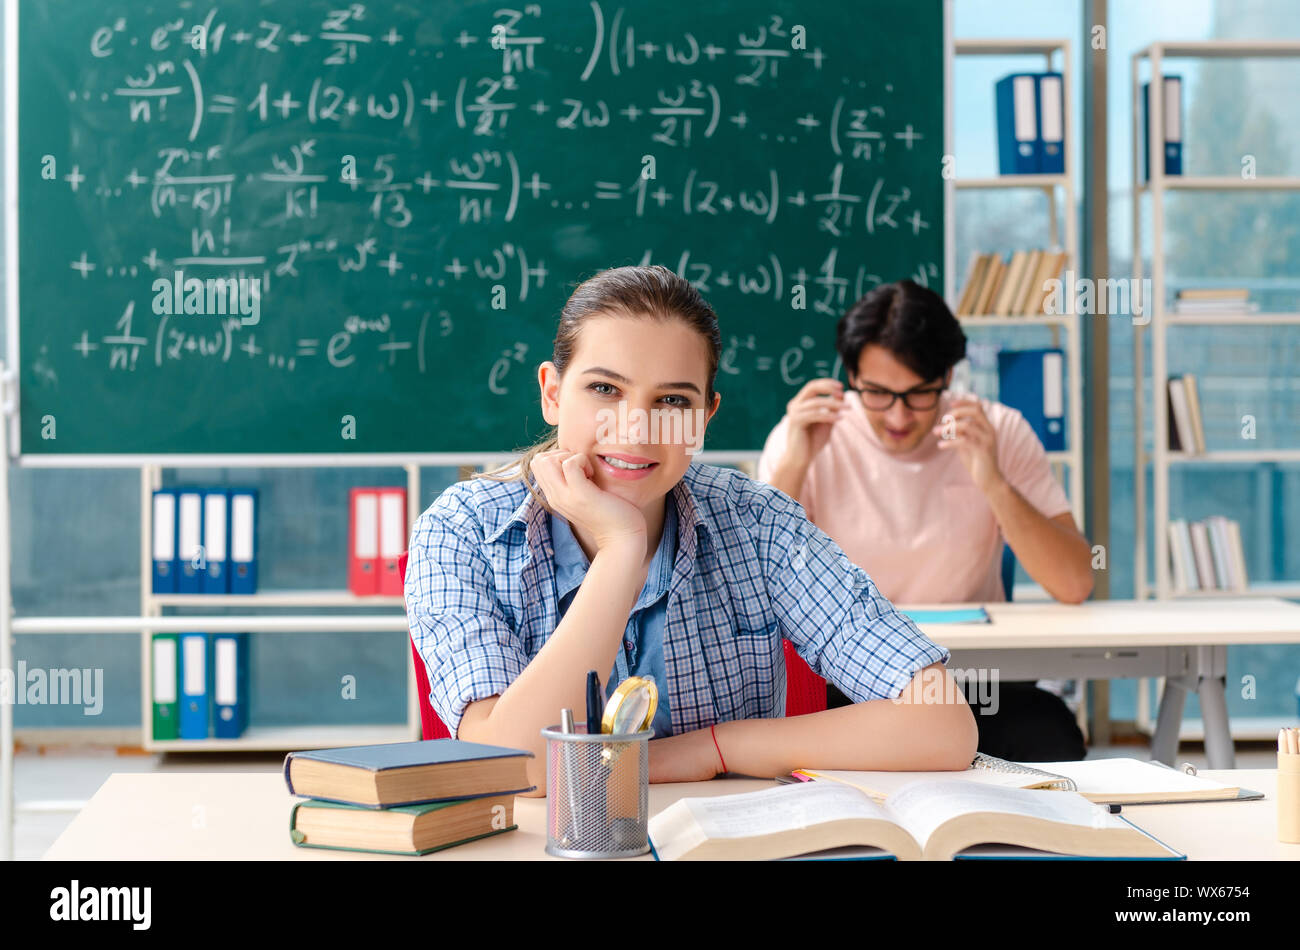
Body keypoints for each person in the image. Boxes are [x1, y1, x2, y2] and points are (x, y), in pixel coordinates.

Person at [405, 265, 977, 796]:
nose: (634, 427)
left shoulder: (759, 524)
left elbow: (942, 724)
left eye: (673, 400)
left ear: (704, 418)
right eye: (605, 389)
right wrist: (621, 550)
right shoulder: (462, 530)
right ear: (553, 393)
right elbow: (515, 768)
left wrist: (713, 748)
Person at [757, 279, 1094, 761]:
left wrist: (993, 480)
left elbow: (1075, 581)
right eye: (876, 393)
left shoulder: (997, 429)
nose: (898, 416)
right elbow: (753, 575)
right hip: (846, 685)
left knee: (1050, 735)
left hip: (972, 684)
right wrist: (794, 466)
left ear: (948, 377)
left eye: (919, 394)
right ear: (850, 375)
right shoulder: (806, 434)